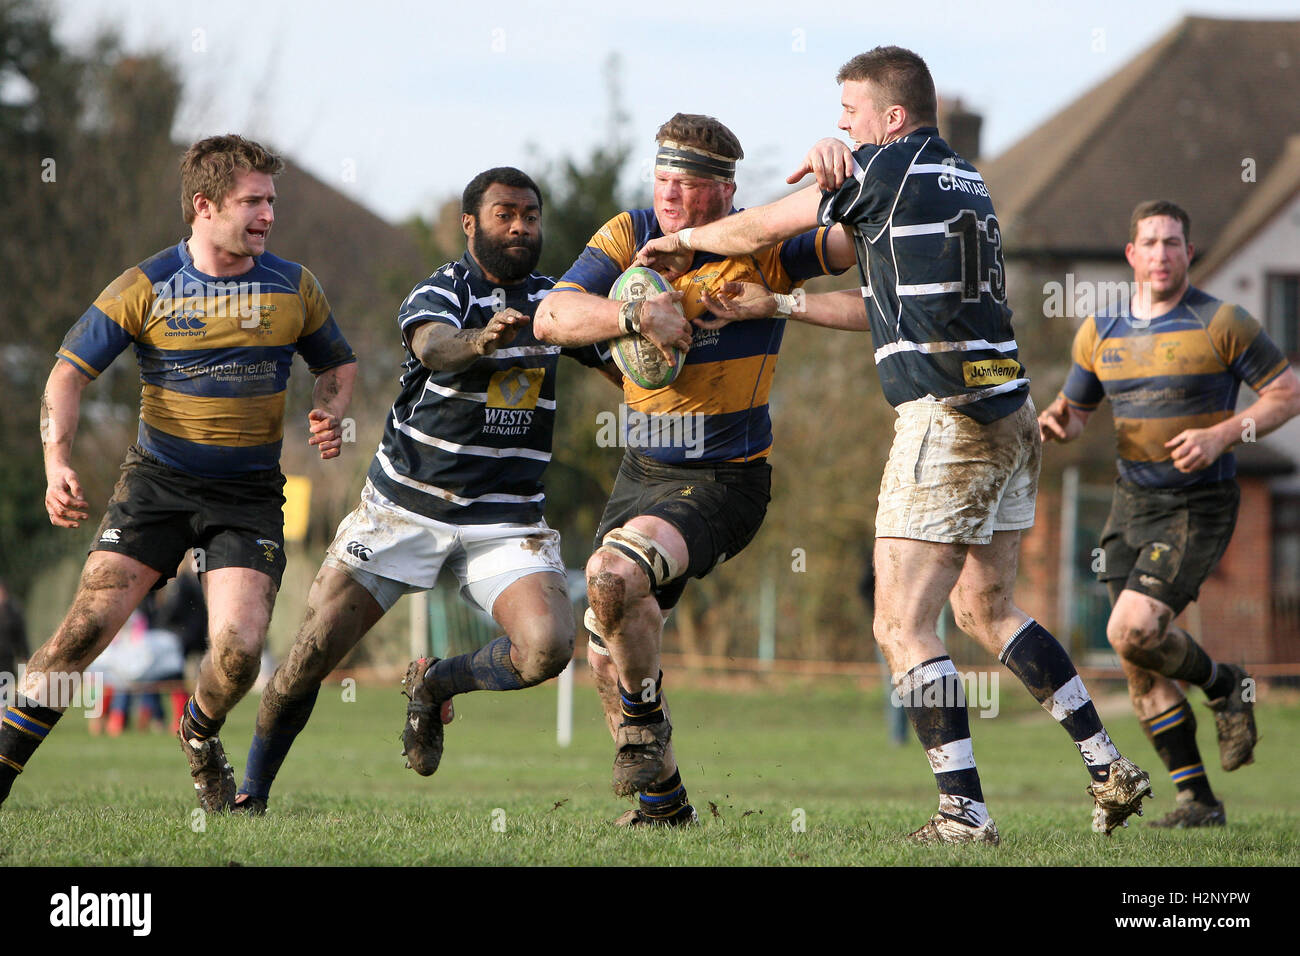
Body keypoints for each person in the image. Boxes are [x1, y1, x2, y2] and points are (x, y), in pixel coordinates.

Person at [636, 49, 1152, 843]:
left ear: (892, 117)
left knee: (899, 627)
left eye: (850, 110)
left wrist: (692, 243)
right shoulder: (962, 180)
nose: (842, 124)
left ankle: (963, 814)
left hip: (946, 418)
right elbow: (883, 304)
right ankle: (1107, 766)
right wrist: (779, 302)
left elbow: (777, 219)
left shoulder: (890, 164)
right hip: (1008, 412)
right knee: (986, 607)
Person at [233, 167, 614, 814]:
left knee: (548, 649)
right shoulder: (440, 291)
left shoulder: (556, 301)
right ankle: (251, 793)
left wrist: (646, 352)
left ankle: (437, 681)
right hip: (405, 504)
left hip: (505, 515)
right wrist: (478, 339)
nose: (521, 226)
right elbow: (435, 347)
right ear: (471, 224)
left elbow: (613, 360)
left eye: (530, 215)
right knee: (308, 657)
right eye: (504, 214)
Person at [0, 134, 357, 812]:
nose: (268, 215)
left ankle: (198, 735)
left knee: (239, 655)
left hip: (247, 496)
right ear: (204, 206)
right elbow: (66, 376)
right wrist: (56, 463)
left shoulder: (293, 286)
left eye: (271, 201)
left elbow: (336, 364)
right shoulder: (146, 286)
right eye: (252, 201)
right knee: (80, 632)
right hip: (156, 486)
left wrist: (329, 409)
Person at [533, 113, 854, 826]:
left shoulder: (761, 244)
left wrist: (846, 173)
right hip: (643, 470)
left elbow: (854, 240)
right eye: (664, 179)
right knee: (606, 648)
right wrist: (637, 318)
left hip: (727, 479)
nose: (672, 198)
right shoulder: (629, 235)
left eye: (691, 185)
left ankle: (644, 726)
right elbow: (550, 317)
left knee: (613, 577)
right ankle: (663, 807)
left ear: (727, 192)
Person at [1038, 200, 1300, 827]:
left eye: (1173, 243)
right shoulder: (1100, 331)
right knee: (1137, 657)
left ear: (1189, 252)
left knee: (1130, 630)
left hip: (1197, 504)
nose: (1161, 254)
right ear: (1132, 254)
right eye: (1150, 242)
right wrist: (1057, 422)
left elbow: (1286, 393)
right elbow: (1076, 409)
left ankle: (1225, 682)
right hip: (1132, 503)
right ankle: (1197, 801)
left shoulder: (1223, 322)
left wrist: (1225, 434)